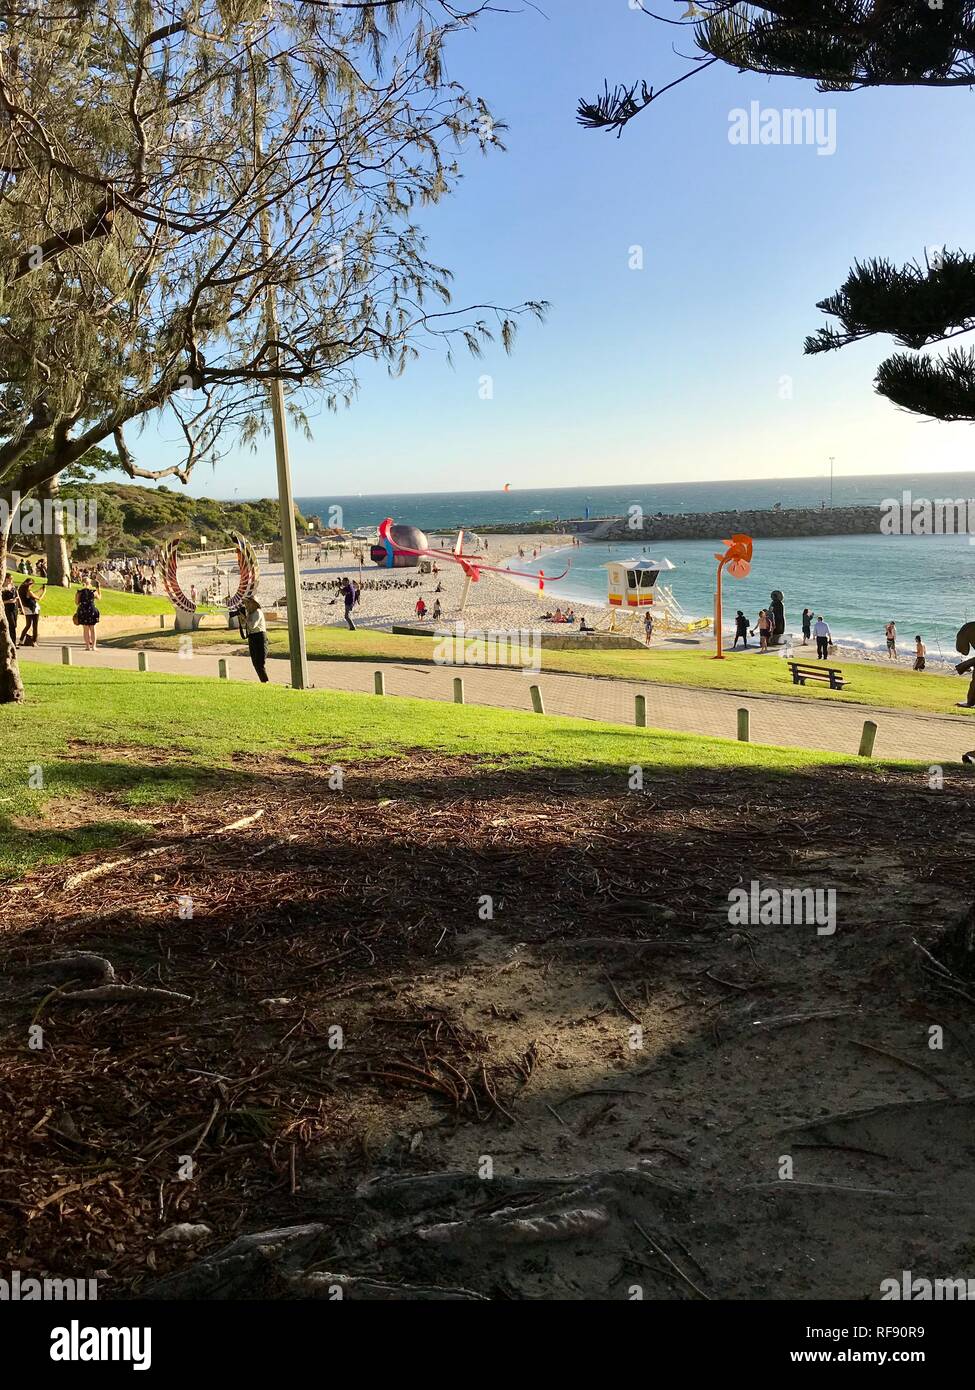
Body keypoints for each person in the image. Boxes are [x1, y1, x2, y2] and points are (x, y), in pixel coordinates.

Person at [237, 596, 269, 682]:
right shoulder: (250, 614)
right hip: (252, 637)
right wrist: (241, 619)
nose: (246, 605)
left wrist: (245, 618)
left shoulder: (258, 612)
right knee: (255, 662)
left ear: (253, 604)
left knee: (260, 662)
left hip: (260, 637)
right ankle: (264, 681)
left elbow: (252, 625)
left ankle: (265, 681)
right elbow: (246, 626)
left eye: (247, 603)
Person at [17, 575, 45, 646]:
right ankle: (34, 641)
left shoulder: (21, 590)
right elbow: (39, 598)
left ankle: (21, 640)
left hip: (27, 609)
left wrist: (39, 590)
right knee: (35, 626)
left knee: (28, 625)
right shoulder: (28, 591)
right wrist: (44, 592)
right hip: (34, 609)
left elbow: (31, 594)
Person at [75, 579, 101, 651]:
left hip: (83, 610)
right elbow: (99, 598)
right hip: (92, 610)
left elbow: (76, 602)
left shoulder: (79, 592)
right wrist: (98, 588)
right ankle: (93, 646)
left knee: (85, 629)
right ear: (90, 583)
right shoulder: (93, 592)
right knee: (93, 629)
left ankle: (87, 646)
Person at [2, 574, 22, 645]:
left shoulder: (13, 587)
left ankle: (12, 641)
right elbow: (2, 601)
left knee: (15, 625)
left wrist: (21, 607)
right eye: (9, 578)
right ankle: (12, 642)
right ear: (6, 579)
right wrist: (9, 601)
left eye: (12, 578)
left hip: (14, 608)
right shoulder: (2, 588)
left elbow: (17, 597)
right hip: (7, 608)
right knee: (11, 625)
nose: (11, 580)